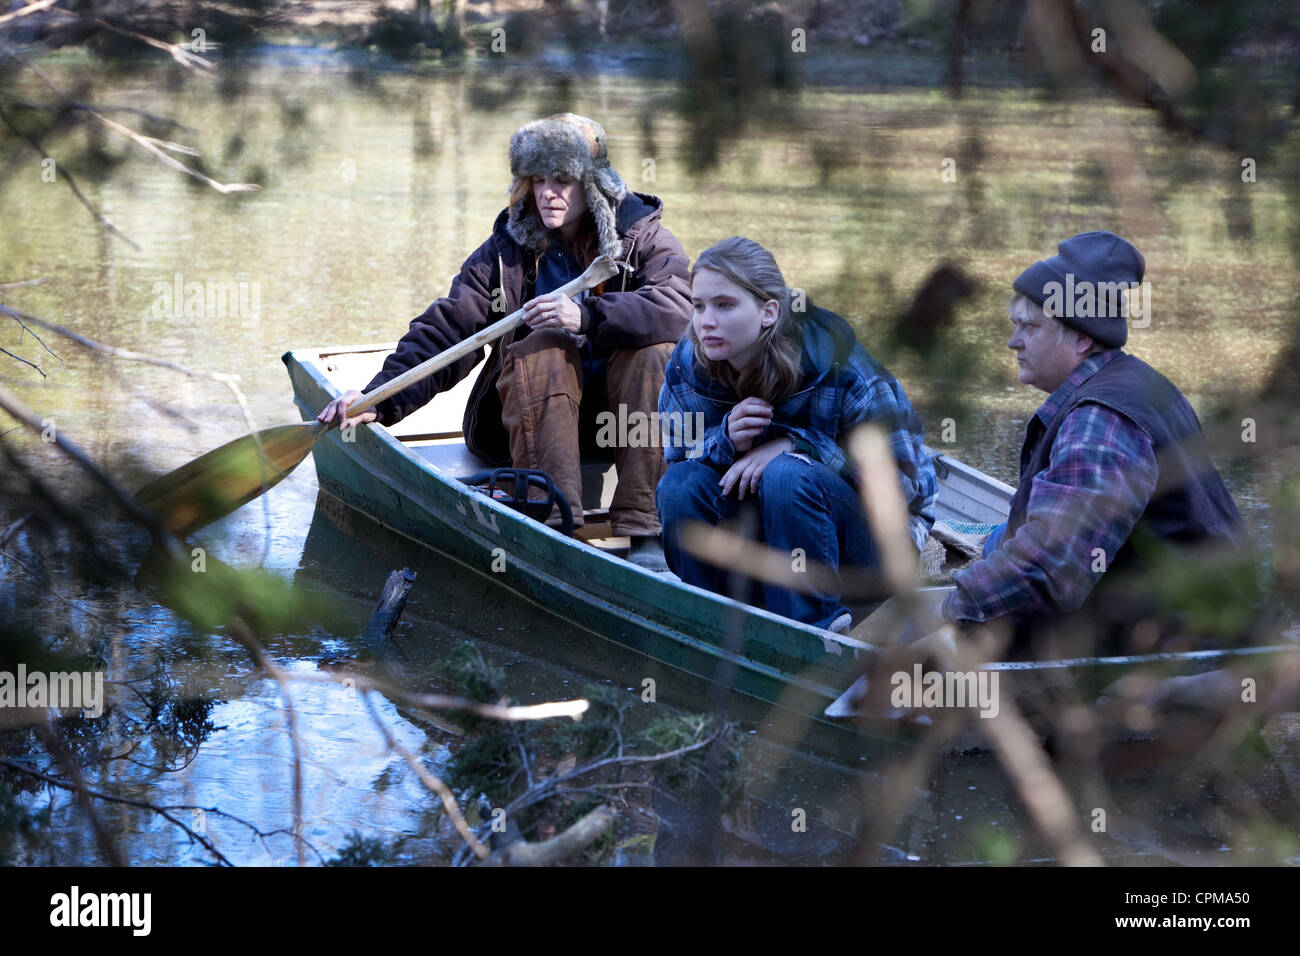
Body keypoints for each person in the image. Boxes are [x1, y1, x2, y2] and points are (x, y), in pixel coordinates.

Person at [319, 114, 691, 568]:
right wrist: (384, 395)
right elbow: (449, 329)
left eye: (563, 179)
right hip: (526, 427)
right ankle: (553, 526)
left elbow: (678, 308)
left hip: (615, 430)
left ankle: (646, 533)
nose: (548, 192)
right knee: (545, 346)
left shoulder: (642, 237)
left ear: (592, 185)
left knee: (652, 351)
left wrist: (587, 316)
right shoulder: (508, 249)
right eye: (537, 179)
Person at [918, 230, 1247, 652]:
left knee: (941, 620)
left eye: (1029, 327)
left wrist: (951, 609)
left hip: (1171, 647)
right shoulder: (1138, 383)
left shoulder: (1100, 421)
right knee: (1004, 541)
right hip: (1203, 622)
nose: (1012, 341)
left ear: (1081, 337)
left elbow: (1048, 568)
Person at [656, 236, 937, 633]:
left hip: (873, 548)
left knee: (788, 474)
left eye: (725, 305)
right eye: (698, 306)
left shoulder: (840, 365)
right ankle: (709, 617)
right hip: (770, 538)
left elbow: (905, 488)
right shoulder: (688, 364)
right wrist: (726, 441)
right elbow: (677, 460)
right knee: (680, 486)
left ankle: (809, 628)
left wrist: (797, 445)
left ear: (769, 312)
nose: (706, 322)